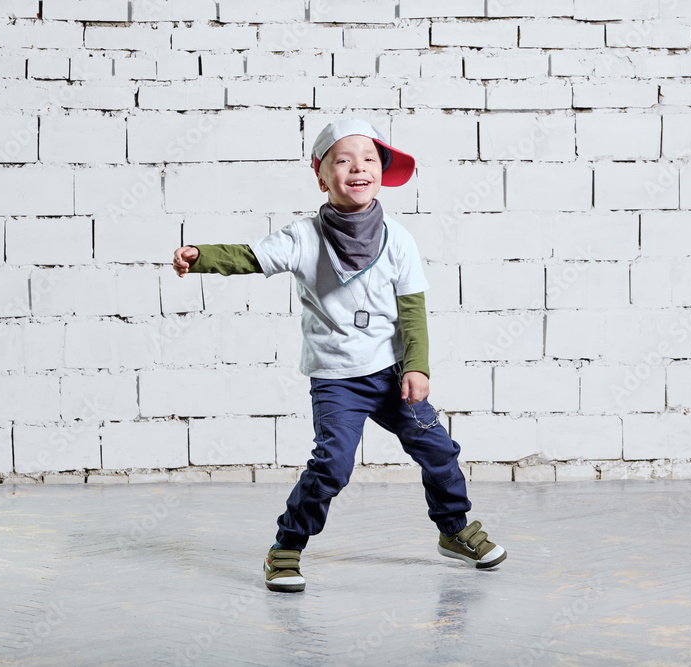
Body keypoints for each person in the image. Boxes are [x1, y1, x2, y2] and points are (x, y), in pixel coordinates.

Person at [172, 118, 507, 593]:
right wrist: (200, 255)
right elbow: (250, 256)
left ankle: (453, 529)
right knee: (333, 465)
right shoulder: (303, 237)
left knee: (438, 449)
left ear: (381, 172)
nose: (358, 167)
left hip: (393, 375)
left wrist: (417, 366)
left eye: (369, 159)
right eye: (343, 159)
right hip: (337, 381)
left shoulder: (398, 238)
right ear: (321, 175)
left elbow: (412, 310)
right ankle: (285, 547)